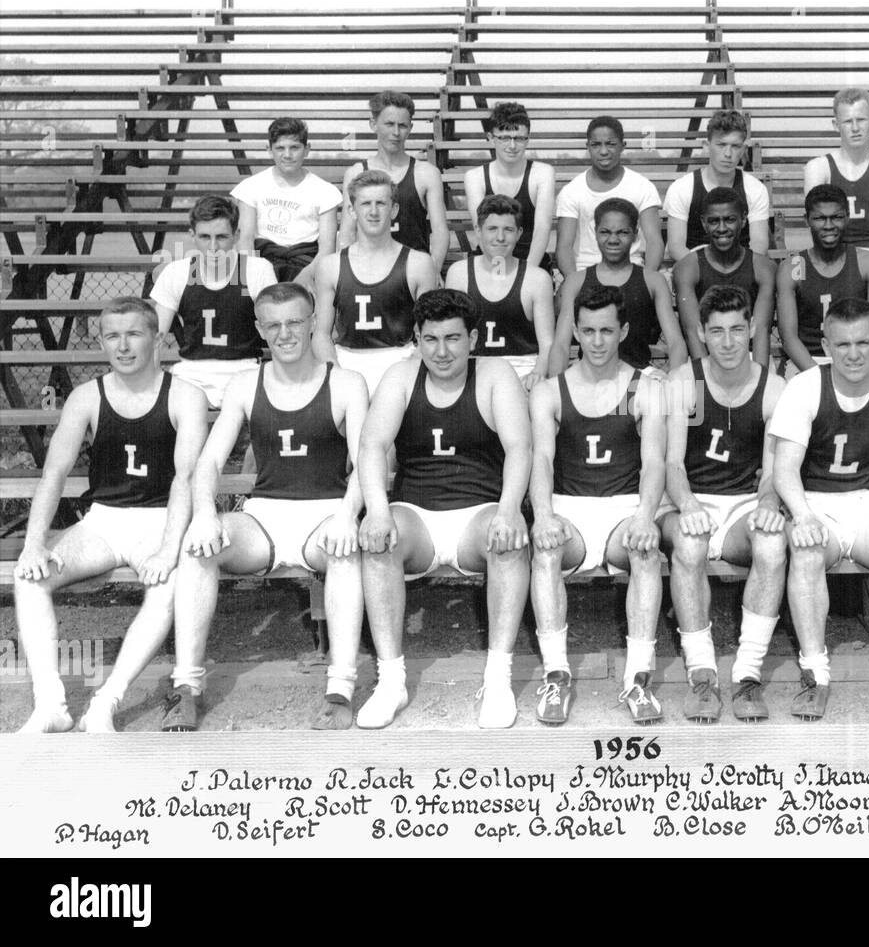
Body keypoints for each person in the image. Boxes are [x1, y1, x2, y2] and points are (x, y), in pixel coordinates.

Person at [164, 283, 369, 732]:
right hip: (266, 518)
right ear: (259, 329)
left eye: (295, 322)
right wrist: (204, 513)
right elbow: (210, 462)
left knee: (345, 551)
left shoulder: (347, 383)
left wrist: (347, 514)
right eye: (273, 325)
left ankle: (340, 687)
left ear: (314, 322)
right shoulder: (245, 384)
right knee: (199, 546)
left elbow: (365, 464)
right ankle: (187, 687)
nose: (285, 333)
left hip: (325, 513)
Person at [13, 298, 208, 733]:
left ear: (157, 339)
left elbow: (185, 478)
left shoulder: (185, 395)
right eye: (112, 336)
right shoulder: (87, 396)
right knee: (29, 576)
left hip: (160, 519)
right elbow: (55, 471)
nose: (123, 346)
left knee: (168, 584)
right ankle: (51, 705)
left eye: (134, 334)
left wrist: (167, 549)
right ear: (101, 341)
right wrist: (33, 543)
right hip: (103, 520)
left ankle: (106, 701)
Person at [355, 289, 532, 729]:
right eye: (430, 339)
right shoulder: (400, 376)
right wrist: (377, 510)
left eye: (453, 338)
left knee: (509, 539)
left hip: (480, 513)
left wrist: (510, 510)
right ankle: (390, 681)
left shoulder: (495, 374)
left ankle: (497, 680)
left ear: (473, 339)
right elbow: (371, 446)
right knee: (379, 540)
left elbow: (520, 447)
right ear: (416, 337)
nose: (442, 350)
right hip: (418, 515)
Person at [770, 298, 869, 718]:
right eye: (842, 344)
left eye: (863, 342)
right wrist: (802, 515)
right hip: (817, 503)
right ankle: (815, 673)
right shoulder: (805, 386)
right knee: (805, 552)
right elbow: (783, 469)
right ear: (825, 343)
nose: (854, 353)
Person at [530, 284, 668, 725]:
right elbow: (542, 461)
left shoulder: (646, 387)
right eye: (587, 331)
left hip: (622, 509)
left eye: (607, 331)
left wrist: (645, 517)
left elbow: (653, 464)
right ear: (574, 331)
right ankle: (556, 674)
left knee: (645, 550)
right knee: (546, 550)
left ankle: (637, 680)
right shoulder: (549, 391)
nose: (596, 341)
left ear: (624, 330)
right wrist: (545, 514)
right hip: (570, 508)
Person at [661, 285, 787, 722]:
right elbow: (672, 463)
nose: (729, 342)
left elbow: (773, 473)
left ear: (753, 328)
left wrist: (769, 503)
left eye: (737, 330)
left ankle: (748, 674)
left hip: (741, 504)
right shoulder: (683, 381)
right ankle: (701, 672)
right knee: (689, 546)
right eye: (717, 332)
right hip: (688, 498)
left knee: (771, 543)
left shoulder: (774, 387)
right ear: (701, 333)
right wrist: (689, 506)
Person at [311, 169, 438, 396]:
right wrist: (336, 372)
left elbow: (428, 331)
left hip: (400, 360)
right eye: (365, 203)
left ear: (394, 209)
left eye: (381, 203)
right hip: (347, 361)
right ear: (351, 210)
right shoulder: (330, 266)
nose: (373, 212)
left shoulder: (419, 263)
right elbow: (321, 335)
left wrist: (410, 372)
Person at [150, 195, 276, 408]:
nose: (213, 246)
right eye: (205, 237)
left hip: (244, 369)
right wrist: (151, 388)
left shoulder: (257, 270)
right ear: (192, 235)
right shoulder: (177, 272)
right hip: (192, 372)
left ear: (236, 236)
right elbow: (154, 339)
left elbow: (275, 331)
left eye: (222, 237)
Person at [550, 197, 685, 375]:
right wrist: (559, 389)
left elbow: (676, 343)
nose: (613, 239)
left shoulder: (653, 281)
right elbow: (560, 345)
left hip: (638, 376)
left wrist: (671, 381)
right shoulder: (576, 282)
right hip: (590, 377)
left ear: (635, 234)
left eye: (622, 232)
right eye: (605, 232)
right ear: (595, 232)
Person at [445, 194, 555, 390]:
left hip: (523, 368)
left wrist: (538, 373)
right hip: (473, 367)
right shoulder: (459, 273)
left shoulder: (537, 279)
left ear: (519, 233)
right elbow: (451, 334)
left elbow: (547, 343)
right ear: (478, 231)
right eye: (492, 229)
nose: (500, 237)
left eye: (508, 230)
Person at [775, 184, 869, 375]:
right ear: (807, 220)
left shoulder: (866, 262)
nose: (828, 225)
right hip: (807, 362)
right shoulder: (796, 266)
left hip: (856, 358)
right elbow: (789, 338)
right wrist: (820, 378)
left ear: (847, 218)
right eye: (819, 218)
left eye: (836, 217)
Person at [335, 91, 449, 273]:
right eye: (389, 124)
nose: (396, 133)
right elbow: (347, 232)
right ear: (373, 124)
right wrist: (347, 275)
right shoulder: (356, 172)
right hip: (369, 268)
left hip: (413, 270)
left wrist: (433, 271)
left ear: (410, 128)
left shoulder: (426, 173)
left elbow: (440, 231)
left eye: (402, 125)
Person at [673, 185, 776, 366]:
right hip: (705, 361)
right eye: (714, 221)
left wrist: (761, 380)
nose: (722, 228)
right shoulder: (688, 267)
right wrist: (704, 383)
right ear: (704, 223)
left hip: (749, 358)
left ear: (743, 220)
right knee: (694, 390)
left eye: (729, 220)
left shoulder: (763, 267)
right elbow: (693, 332)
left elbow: (761, 331)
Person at [554, 116, 664, 283]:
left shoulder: (642, 186)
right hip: (584, 270)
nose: (604, 151)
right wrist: (574, 283)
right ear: (588, 147)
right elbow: (564, 247)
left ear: (622, 146)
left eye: (611, 144)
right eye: (596, 144)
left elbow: (654, 241)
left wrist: (645, 282)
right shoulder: (572, 191)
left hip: (631, 269)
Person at [231, 117, 341, 283]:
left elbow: (327, 249)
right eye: (280, 148)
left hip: (307, 265)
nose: (287, 155)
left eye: (294, 148)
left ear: (307, 149)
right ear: (269, 149)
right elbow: (245, 242)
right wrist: (257, 277)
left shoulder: (325, 191)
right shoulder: (250, 187)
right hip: (262, 263)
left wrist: (304, 279)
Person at [802, 87, 869, 255]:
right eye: (847, 121)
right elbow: (816, 224)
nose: (854, 128)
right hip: (833, 256)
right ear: (835, 125)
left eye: (861, 120)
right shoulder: (818, 167)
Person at [663, 109, 770, 264]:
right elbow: (676, 246)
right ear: (707, 146)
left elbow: (759, 244)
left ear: (743, 150)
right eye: (721, 145)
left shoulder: (755, 189)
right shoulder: (682, 187)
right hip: (695, 269)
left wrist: (733, 271)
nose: (728, 154)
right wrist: (709, 271)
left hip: (741, 267)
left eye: (735, 146)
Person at [464, 101, 556, 274]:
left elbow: (542, 229)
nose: (512, 146)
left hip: (531, 261)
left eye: (519, 138)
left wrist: (526, 276)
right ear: (491, 138)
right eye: (504, 138)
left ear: (528, 138)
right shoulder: (475, 177)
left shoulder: (543, 173)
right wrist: (499, 273)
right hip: (490, 259)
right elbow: (481, 231)